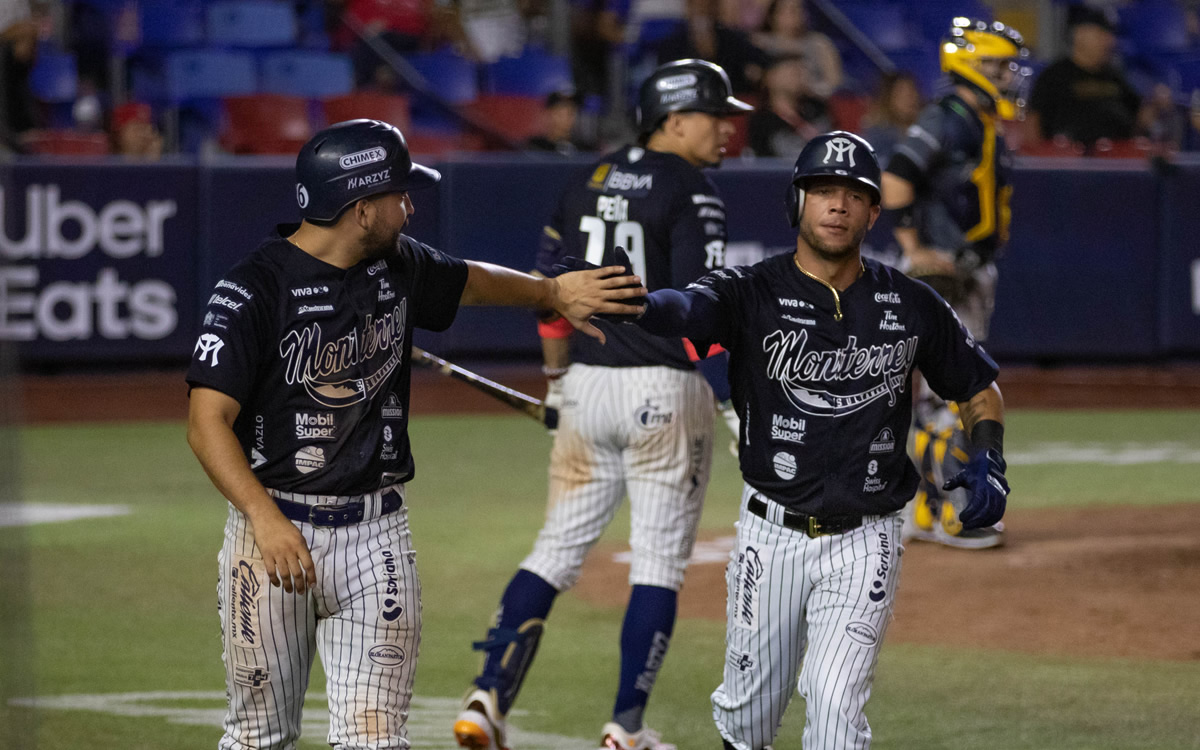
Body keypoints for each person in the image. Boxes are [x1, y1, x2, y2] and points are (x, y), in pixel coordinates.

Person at [185, 118, 645, 750]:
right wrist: (263, 518)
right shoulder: (252, 289)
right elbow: (206, 422)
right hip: (269, 538)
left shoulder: (397, 263)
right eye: (400, 195)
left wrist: (552, 292)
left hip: (378, 536)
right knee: (259, 737)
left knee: (376, 740)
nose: (409, 207)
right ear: (360, 208)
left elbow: (472, 280)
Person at [626, 129, 1009, 750]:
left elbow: (978, 385)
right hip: (770, 535)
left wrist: (987, 452)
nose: (837, 205)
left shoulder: (910, 302)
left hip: (866, 538)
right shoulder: (750, 290)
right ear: (797, 202)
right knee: (748, 721)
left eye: (853, 195)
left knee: (834, 712)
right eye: (822, 191)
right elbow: (689, 310)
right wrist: (641, 305)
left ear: (874, 211)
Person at [453, 59, 752, 750]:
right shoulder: (694, 190)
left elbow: (547, 291)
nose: (729, 128)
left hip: (586, 386)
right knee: (656, 566)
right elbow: (701, 311)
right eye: (717, 115)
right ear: (674, 120)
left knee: (554, 551)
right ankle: (625, 727)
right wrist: (734, 404)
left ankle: (487, 697)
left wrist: (556, 382)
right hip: (665, 394)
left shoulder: (586, 178)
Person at [879, 18, 1027, 549]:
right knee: (955, 394)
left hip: (968, 269)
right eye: (999, 65)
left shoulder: (978, 119)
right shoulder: (948, 118)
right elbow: (894, 178)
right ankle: (955, 512)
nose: (1009, 76)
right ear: (972, 65)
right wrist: (914, 247)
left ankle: (923, 509)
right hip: (947, 276)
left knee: (938, 398)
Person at [1027, 5, 1141, 148]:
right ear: (1079, 35)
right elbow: (1033, 122)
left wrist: (1156, 106)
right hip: (1068, 163)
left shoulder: (1115, 77)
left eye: (1110, 35)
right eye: (1101, 33)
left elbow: (1138, 120)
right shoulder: (1054, 75)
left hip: (1116, 160)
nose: (1110, 41)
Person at [657, 0, 769, 96]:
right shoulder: (671, 44)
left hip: (728, 102)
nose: (702, 11)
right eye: (697, 6)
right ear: (688, 7)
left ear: (715, 8)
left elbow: (761, 61)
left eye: (707, 6)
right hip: (687, 102)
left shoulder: (731, 39)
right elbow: (667, 79)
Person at [750, 0, 842, 100]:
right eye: (791, 10)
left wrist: (811, 89)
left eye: (801, 9)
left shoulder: (819, 43)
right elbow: (754, 76)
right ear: (773, 16)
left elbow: (834, 82)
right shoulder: (760, 43)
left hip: (815, 101)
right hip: (773, 101)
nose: (798, 13)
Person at [746, 52, 831, 157]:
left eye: (801, 71)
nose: (799, 76)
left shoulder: (818, 108)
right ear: (770, 78)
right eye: (791, 71)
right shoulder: (762, 121)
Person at [861, 70, 922, 161]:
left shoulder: (927, 133)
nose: (909, 99)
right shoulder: (878, 138)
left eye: (912, 91)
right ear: (888, 99)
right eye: (901, 93)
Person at [524, 89, 586, 155]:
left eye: (572, 111)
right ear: (549, 114)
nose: (568, 117)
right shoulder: (535, 147)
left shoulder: (586, 149)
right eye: (560, 111)